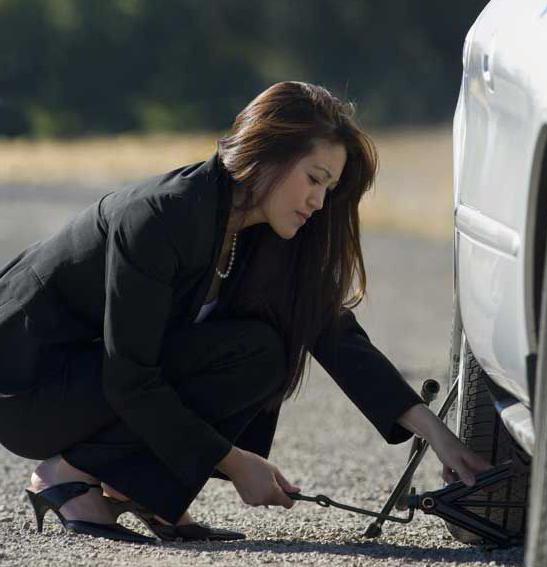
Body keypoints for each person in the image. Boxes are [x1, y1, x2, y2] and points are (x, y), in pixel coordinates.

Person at [0, 81, 491, 544]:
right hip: (29, 390)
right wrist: (234, 461)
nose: (319, 202)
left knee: (262, 352)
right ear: (267, 154)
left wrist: (436, 434)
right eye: (314, 179)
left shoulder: (260, 233)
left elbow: (333, 332)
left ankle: (133, 487)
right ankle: (68, 476)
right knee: (244, 352)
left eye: (329, 188)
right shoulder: (162, 217)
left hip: (90, 381)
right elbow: (129, 377)